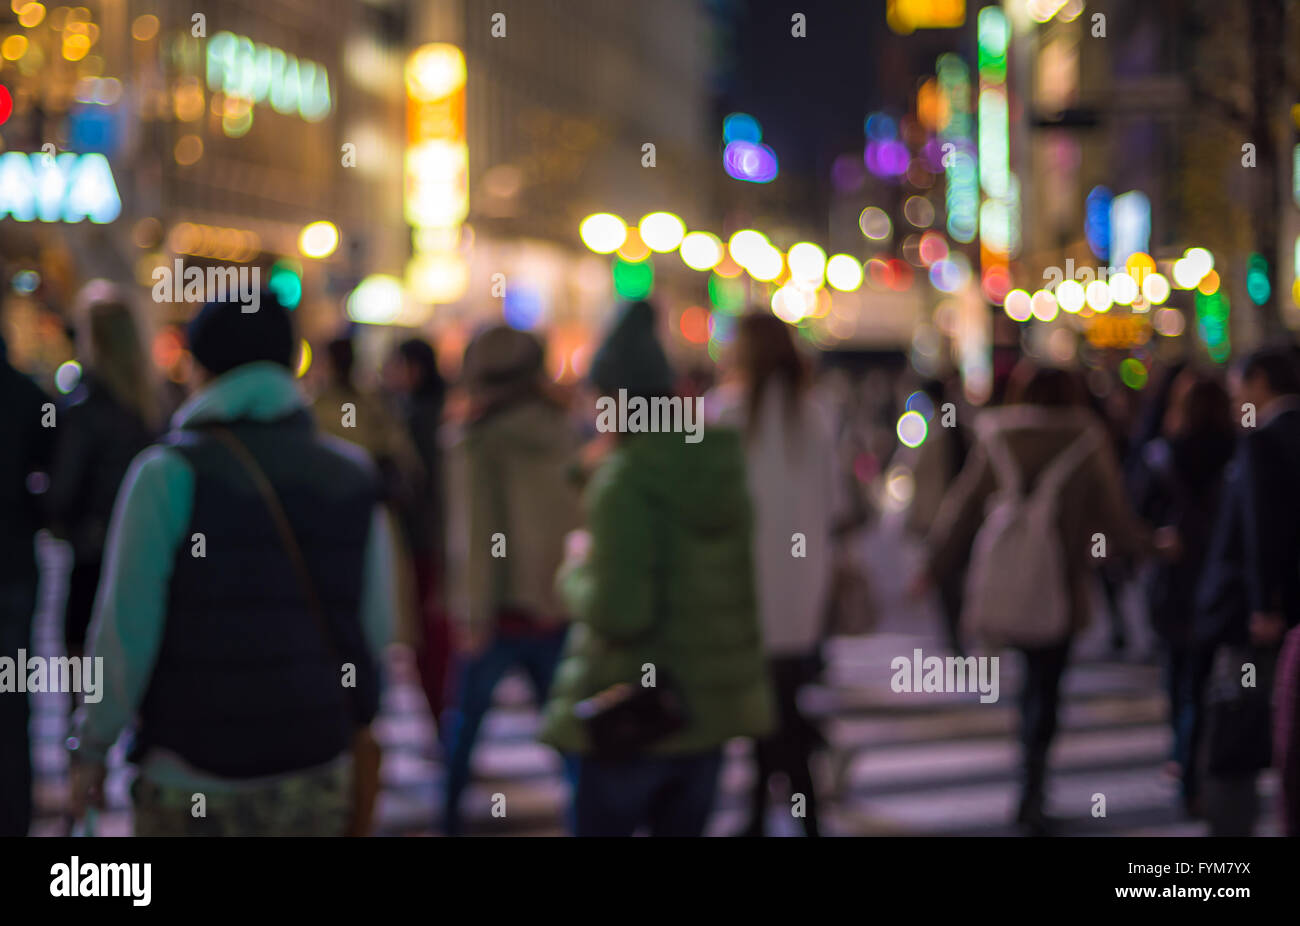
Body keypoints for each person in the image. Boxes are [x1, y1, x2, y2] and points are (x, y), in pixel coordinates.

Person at [69, 292, 395, 836]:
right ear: (292, 365)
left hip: (191, 774)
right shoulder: (353, 476)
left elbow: (124, 634)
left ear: (199, 367)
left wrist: (93, 745)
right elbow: (379, 630)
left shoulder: (167, 474)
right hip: (315, 768)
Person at [538, 300, 774, 837]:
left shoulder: (624, 483)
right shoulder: (718, 464)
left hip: (634, 715)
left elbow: (622, 612)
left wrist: (576, 570)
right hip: (705, 714)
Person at [919, 362, 1158, 835]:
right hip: (1062, 584)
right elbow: (1114, 515)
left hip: (1011, 580)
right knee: (1048, 687)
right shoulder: (1087, 440)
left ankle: (1025, 780)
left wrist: (932, 566)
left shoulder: (997, 436)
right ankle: (1034, 782)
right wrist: (1152, 545)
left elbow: (964, 506)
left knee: (1027, 681)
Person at [439, 326, 581, 836]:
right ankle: (585, 820)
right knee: (567, 733)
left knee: (466, 726)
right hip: (557, 602)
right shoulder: (564, 429)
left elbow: (474, 535)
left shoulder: (477, 440)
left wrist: (471, 613)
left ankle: (450, 821)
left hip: (499, 610)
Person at [705, 313, 839, 837]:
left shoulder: (727, 415)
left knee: (771, 710)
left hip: (747, 585)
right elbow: (835, 502)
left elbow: (712, 508)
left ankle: (791, 817)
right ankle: (774, 815)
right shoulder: (816, 415)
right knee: (778, 704)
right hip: (802, 585)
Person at [1129, 370, 1235, 815]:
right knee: (1211, 677)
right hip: (1219, 579)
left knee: (1178, 677)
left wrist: (1157, 540)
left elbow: (1134, 515)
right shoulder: (1238, 452)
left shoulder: (1161, 456)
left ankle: (1183, 762)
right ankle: (1200, 762)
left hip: (1175, 580)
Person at [47, 284, 159, 666]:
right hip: (146, 551)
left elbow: (62, 490)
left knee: (82, 665)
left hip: (92, 553)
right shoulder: (156, 406)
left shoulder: (84, 406)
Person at [1231, 347, 1300, 835]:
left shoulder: (1262, 442)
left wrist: (1263, 604)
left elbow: (1259, 533)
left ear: (1259, 381)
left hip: (1285, 603)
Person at [0, 332, 55, 836]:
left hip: (14, 564)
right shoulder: (26, 395)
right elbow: (49, 476)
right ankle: (14, 816)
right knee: (12, 704)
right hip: (13, 563)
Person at [384, 338, 452, 723]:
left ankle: (442, 723)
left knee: (429, 638)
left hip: (424, 544)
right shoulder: (447, 411)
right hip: (440, 542)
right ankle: (444, 725)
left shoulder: (416, 419)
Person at [904, 375, 971, 656]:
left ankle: (955, 636)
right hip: (957, 515)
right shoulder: (960, 427)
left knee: (945, 579)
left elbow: (922, 476)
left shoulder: (938, 432)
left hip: (939, 517)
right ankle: (957, 634)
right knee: (953, 577)